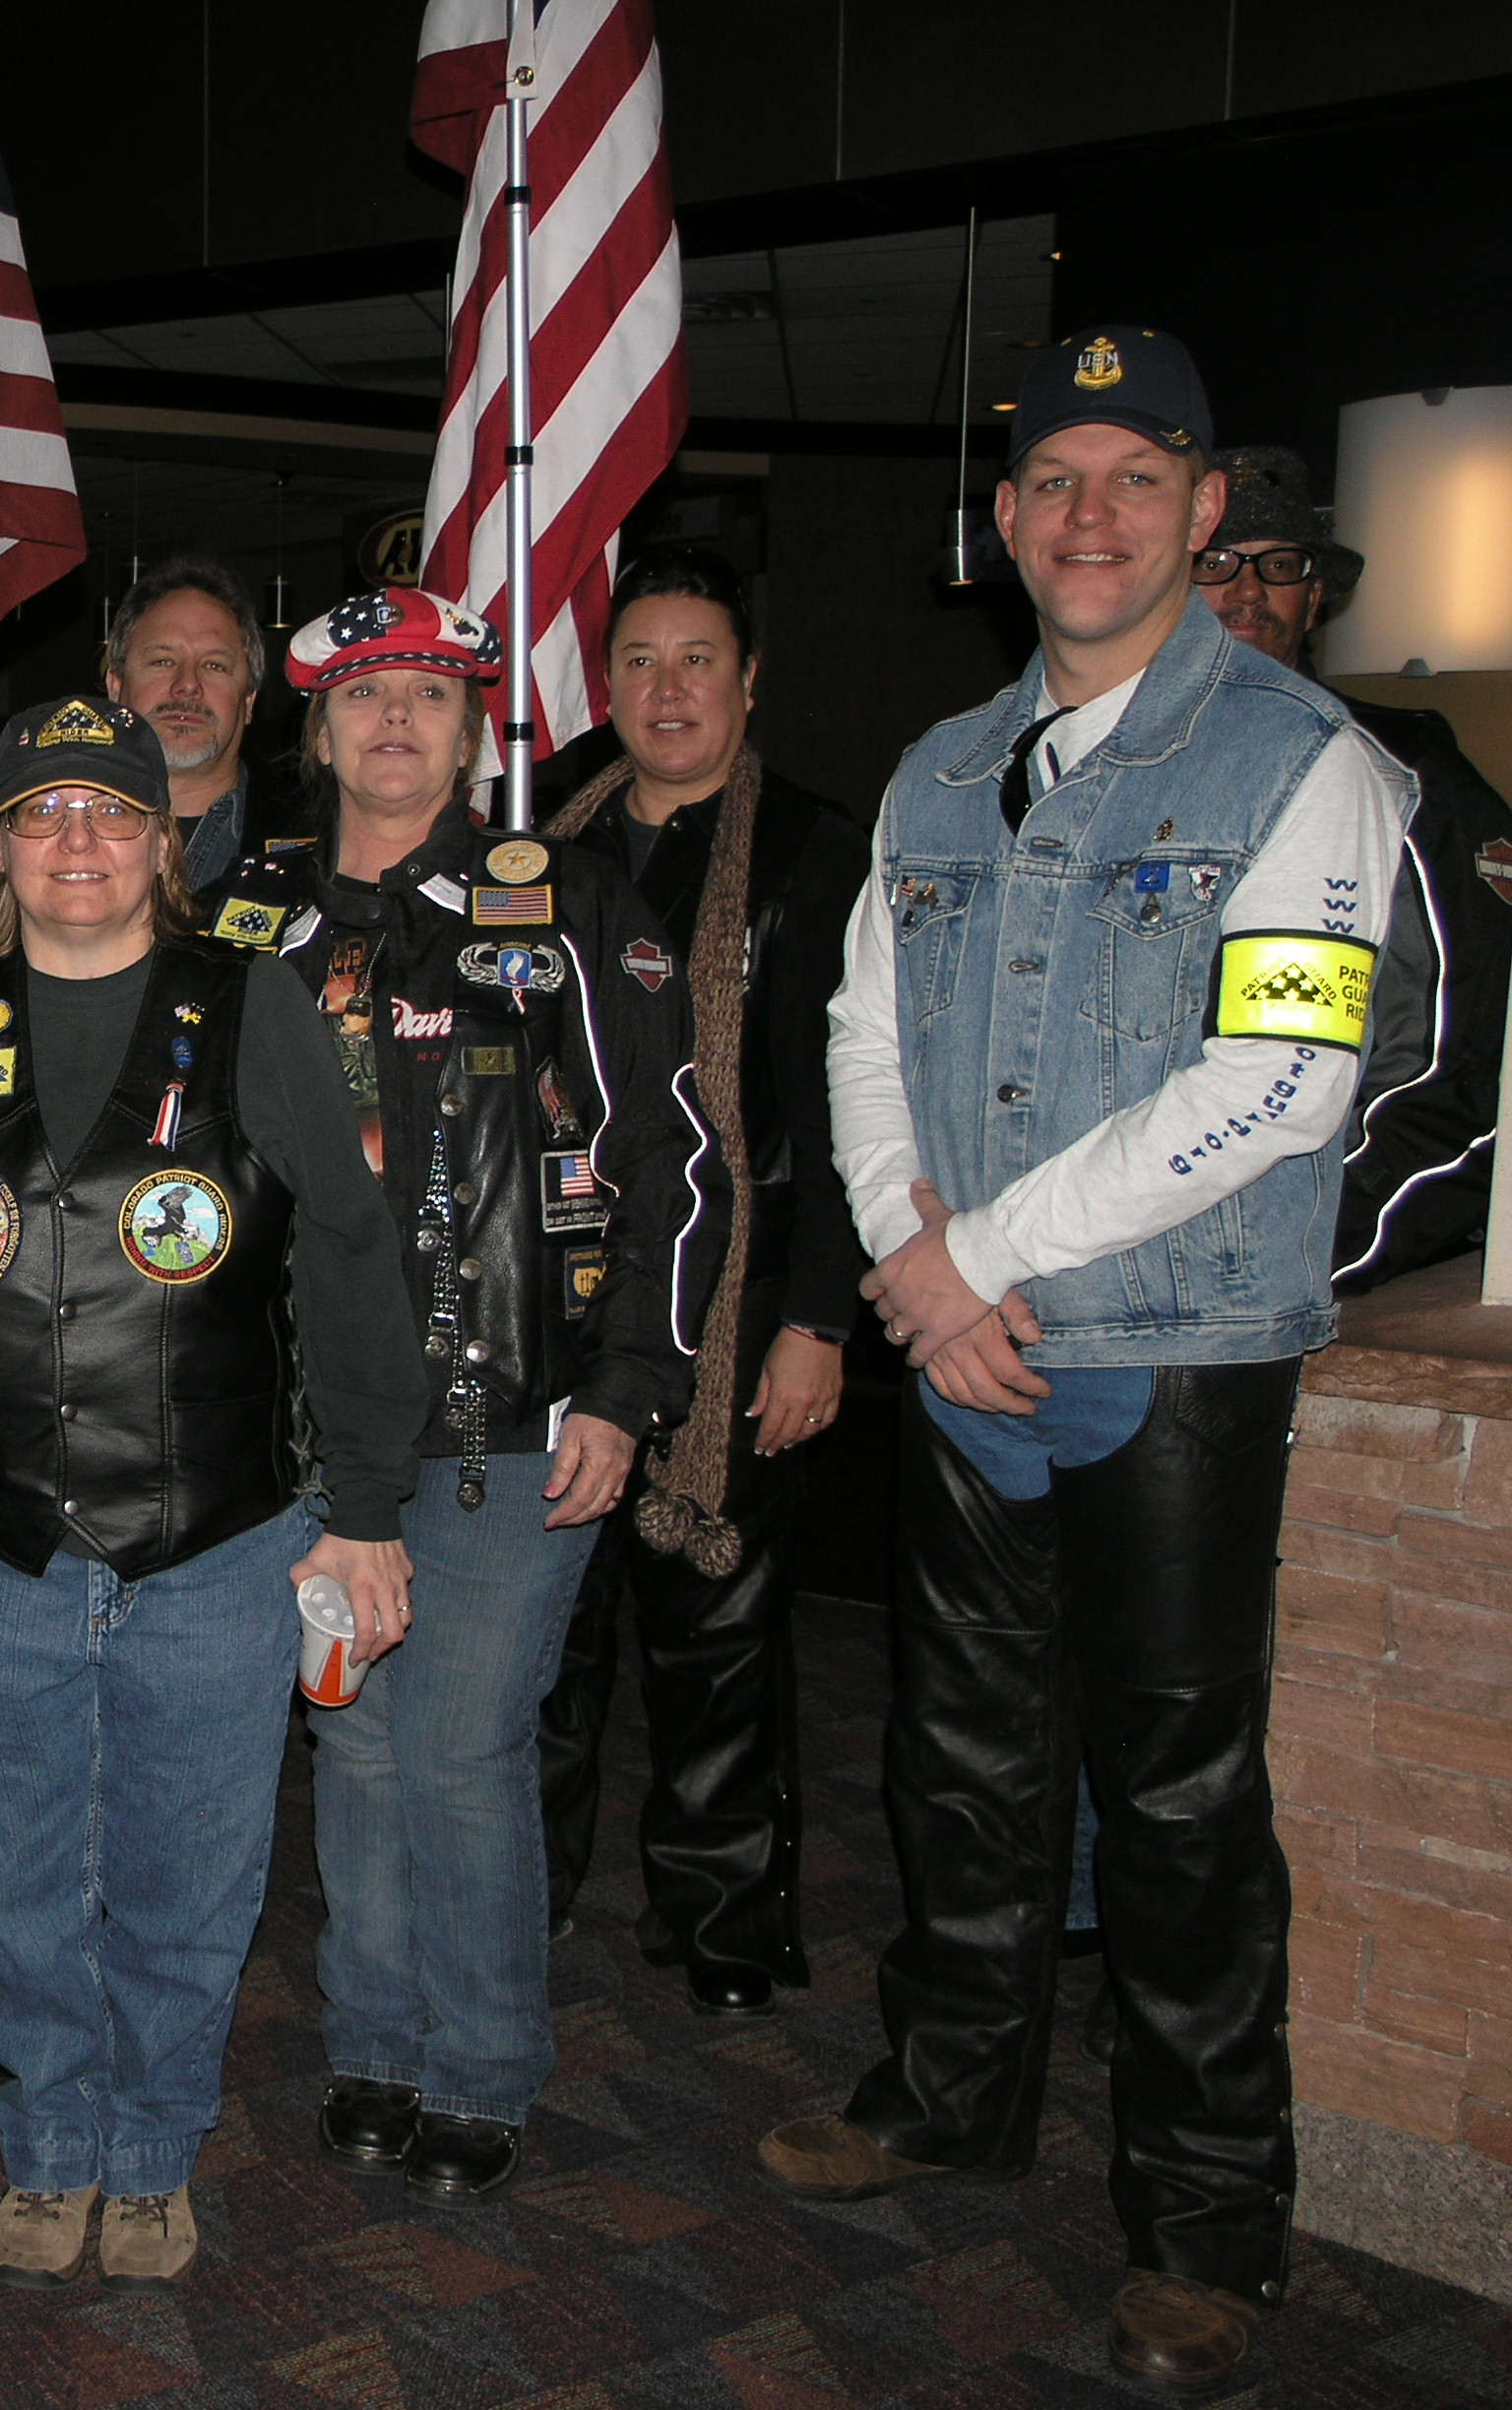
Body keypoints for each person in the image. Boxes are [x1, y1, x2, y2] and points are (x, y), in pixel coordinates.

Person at [773, 330, 1413, 2392]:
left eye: (1138, 480)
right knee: (958, 1760)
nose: (1092, 518)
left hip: (1177, 1358)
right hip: (964, 1354)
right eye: (1055, 482)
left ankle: (1211, 2218)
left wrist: (980, 1264)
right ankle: (949, 2095)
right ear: (1004, 519)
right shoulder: (944, 770)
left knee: (1174, 1795)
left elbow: (1285, 1081)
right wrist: (907, 1263)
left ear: (1211, 510)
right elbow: (865, 1034)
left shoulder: (1305, 763)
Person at [0, 694, 423, 2290]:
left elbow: (353, 1261)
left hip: (214, 1539)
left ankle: (153, 2146)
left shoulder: (252, 1006)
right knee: (12, 1867)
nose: (72, 840)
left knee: (187, 1865)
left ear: (161, 844)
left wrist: (363, 1505)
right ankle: (47, 2137)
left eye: (107, 812)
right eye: (40, 814)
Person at [205, 588, 723, 2204]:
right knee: (350, 1742)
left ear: (470, 721)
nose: (392, 718)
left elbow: (669, 1160)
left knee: (461, 1750)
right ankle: (371, 2041)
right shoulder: (238, 913)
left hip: (512, 1410)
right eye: (360, 693)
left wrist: (628, 1393)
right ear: (315, 725)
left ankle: (481, 2061)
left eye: (426, 690)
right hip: (302, 1423)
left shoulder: (561, 903)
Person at [532, 548, 869, 2018]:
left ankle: (727, 1919)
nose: (669, 691)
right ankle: (520, 1892)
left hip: (734, 1299)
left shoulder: (811, 851)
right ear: (605, 689)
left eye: (698, 661)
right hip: (560, 1294)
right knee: (550, 1630)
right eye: (642, 664)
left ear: (748, 681)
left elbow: (847, 1104)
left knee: (714, 1632)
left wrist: (815, 1317)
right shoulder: (545, 850)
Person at [1196, 446, 1512, 1294]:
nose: (1248, 591)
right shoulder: (1078, 768)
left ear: (1318, 593)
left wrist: (1307, 1251)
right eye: (1215, 563)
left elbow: (1458, 1068)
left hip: (1307, 1263)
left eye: (1281, 565)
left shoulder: (1405, 778)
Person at [101, 557, 312, 891]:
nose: (187, 684)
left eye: (214, 666)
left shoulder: (321, 844)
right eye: (162, 661)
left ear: (248, 701)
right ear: (116, 687)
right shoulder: (49, 835)